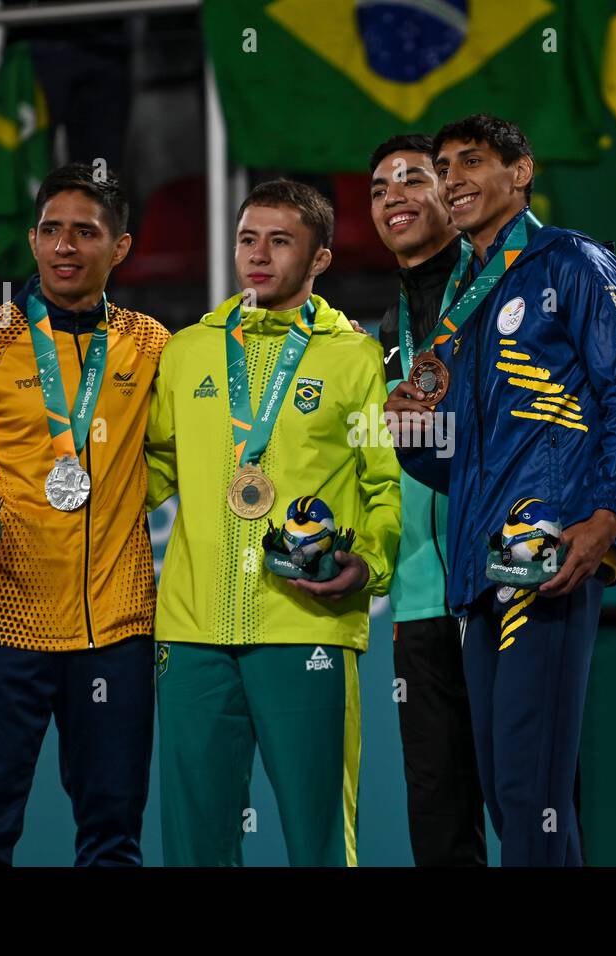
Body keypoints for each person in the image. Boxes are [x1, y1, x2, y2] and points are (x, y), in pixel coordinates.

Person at [369, 132, 616, 866]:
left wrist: (605, 518)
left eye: (472, 163)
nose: (454, 180)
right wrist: (412, 434)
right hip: (480, 571)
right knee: (508, 794)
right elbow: (466, 463)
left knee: (530, 796)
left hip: (548, 552)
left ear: (521, 173)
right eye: (446, 168)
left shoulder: (571, 261)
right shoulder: (465, 304)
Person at [0, 163, 167, 865]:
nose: (65, 247)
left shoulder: (152, 343)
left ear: (121, 247)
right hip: (2, 624)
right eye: (51, 230)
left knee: (113, 842)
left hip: (117, 630)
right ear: (32, 240)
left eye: (85, 232)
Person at [145, 179, 401, 867]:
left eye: (280, 241)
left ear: (320, 258)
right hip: (191, 633)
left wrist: (370, 565)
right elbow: (155, 471)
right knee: (194, 848)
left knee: (317, 843)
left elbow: (384, 485)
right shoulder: (189, 349)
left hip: (304, 624)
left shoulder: (355, 358)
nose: (258, 255)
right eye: (247, 239)